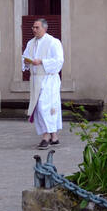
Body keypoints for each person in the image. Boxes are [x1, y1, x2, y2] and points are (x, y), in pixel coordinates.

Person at [21, 18, 64, 148]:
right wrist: (27, 62)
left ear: (45, 28)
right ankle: (54, 137)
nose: (34, 29)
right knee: (40, 108)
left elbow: (59, 60)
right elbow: (25, 57)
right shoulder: (31, 43)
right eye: (33, 27)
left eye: (36, 27)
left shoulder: (53, 42)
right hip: (36, 80)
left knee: (45, 107)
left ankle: (45, 137)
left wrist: (42, 62)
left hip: (48, 79)